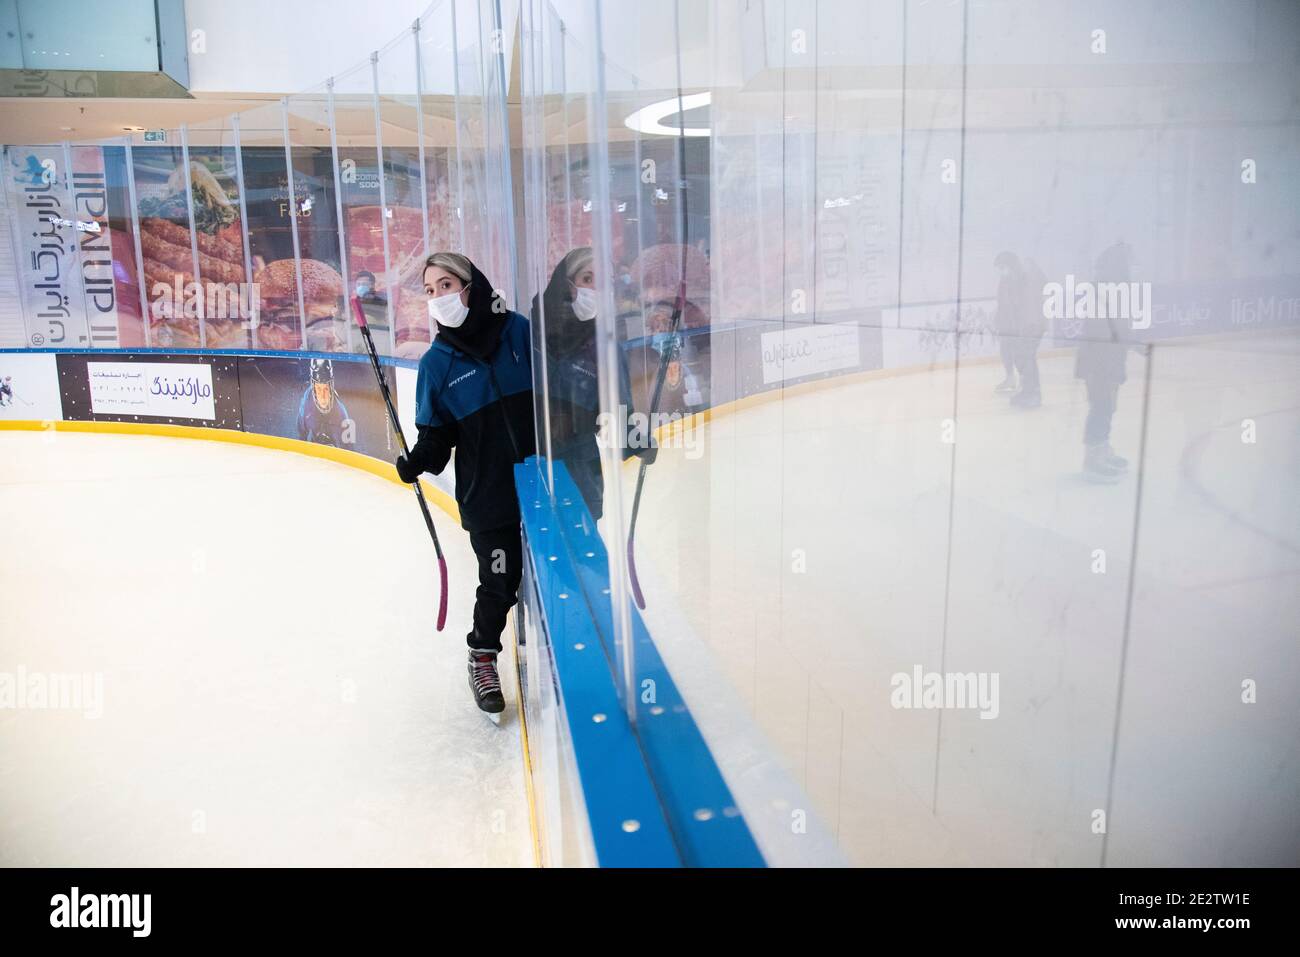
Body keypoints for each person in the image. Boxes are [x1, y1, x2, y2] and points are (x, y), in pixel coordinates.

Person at [394, 252, 535, 714]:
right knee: (500, 580)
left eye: (447, 284)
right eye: (430, 291)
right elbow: (437, 439)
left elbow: (559, 395)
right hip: (487, 496)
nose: (438, 297)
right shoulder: (438, 364)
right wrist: (417, 462)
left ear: (472, 286)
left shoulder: (517, 331)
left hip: (542, 482)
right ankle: (482, 653)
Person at [530, 247, 652, 521]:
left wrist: (636, 442)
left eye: (603, 281)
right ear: (567, 283)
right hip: (533, 471)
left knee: (582, 552)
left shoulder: (606, 348)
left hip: (581, 475)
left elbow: (620, 412)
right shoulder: (530, 334)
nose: (596, 289)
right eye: (587, 279)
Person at [1075, 241, 1133, 482]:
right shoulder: (1101, 291)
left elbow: (1120, 326)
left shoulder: (1116, 289)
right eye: (1125, 265)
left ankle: (1103, 449)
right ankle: (1092, 457)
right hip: (1100, 361)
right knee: (1101, 406)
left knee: (1108, 406)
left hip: (1110, 359)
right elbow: (1102, 330)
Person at [296, 358, 350, 446]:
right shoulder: (306, 402)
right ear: (313, 388)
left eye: (326, 389)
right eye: (318, 389)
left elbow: (349, 449)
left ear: (330, 387)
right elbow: (301, 435)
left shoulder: (342, 415)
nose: (323, 396)